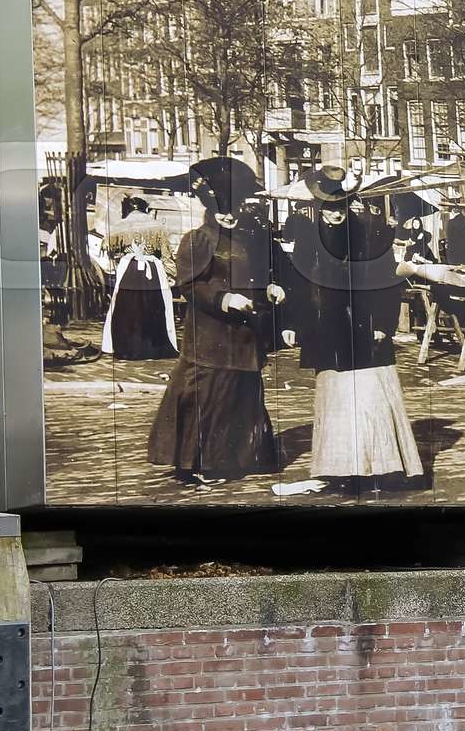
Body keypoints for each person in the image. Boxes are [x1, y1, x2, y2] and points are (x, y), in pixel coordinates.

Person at [147, 157, 292, 488]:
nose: (229, 215)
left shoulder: (247, 240)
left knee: (240, 396)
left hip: (244, 336)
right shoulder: (198, 240)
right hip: (211, 336)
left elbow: (254, 278)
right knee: (210, 398)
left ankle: (240, 457)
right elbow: (189, 284)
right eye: (222, 209)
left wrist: (269, 288)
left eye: (233, 208)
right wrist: (224, 299)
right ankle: (201, 462)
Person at [299, 166, 424, 491]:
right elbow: (299, 285)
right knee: (336, 401)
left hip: (366, 328)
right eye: (328, 207)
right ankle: (342, 472)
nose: (335, 213)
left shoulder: (369, 233)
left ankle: (382, 468)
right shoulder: (307, 238)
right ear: (318, 207)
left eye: (340, 206)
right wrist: (294, 324)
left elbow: (387, 282)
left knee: (371, 399)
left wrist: (383, 323)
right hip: (328, 333)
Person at [100, 195, 178, 360]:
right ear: (145, 209)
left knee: (126, 307)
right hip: (152, 270)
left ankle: (127, 347)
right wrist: (171, 274)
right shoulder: (158, 226)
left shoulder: (120, 226)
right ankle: (152, 348)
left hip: (129, 268)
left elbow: (110, 250)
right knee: (154, 306)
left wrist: (123, 255)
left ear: (129, 209)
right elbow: (166, 254)